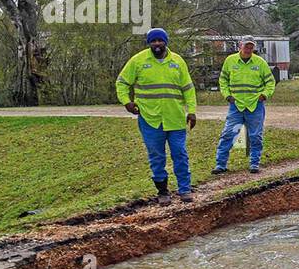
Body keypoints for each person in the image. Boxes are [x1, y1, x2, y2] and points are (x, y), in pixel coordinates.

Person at [115, 28, 198, 204]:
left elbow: (188, 89)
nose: (157, 44)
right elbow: (122, 82)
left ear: (166, 41)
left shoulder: (177, 61)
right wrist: (126, 102)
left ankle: (185, 190)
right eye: (153, 41)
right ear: (149, 43)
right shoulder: (138, 61)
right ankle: (163, 192)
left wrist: (192, 111)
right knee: (156, 156)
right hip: (150, 119)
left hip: (175, 118)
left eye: (160, 40)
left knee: (180, 154)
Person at [213, 36, 276, 174]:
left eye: (251, 46)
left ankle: (254, 163)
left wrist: (264, 95)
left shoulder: (260, 63)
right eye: (246, 46)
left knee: (255, 136)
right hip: (236, 106)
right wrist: (227, 95)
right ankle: (220, 164)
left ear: (254, 48)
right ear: (240, 46)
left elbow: (270, 82)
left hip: (255, 106)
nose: (248, 49)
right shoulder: (230, 61)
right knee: (229, 134)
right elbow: (223, 80)